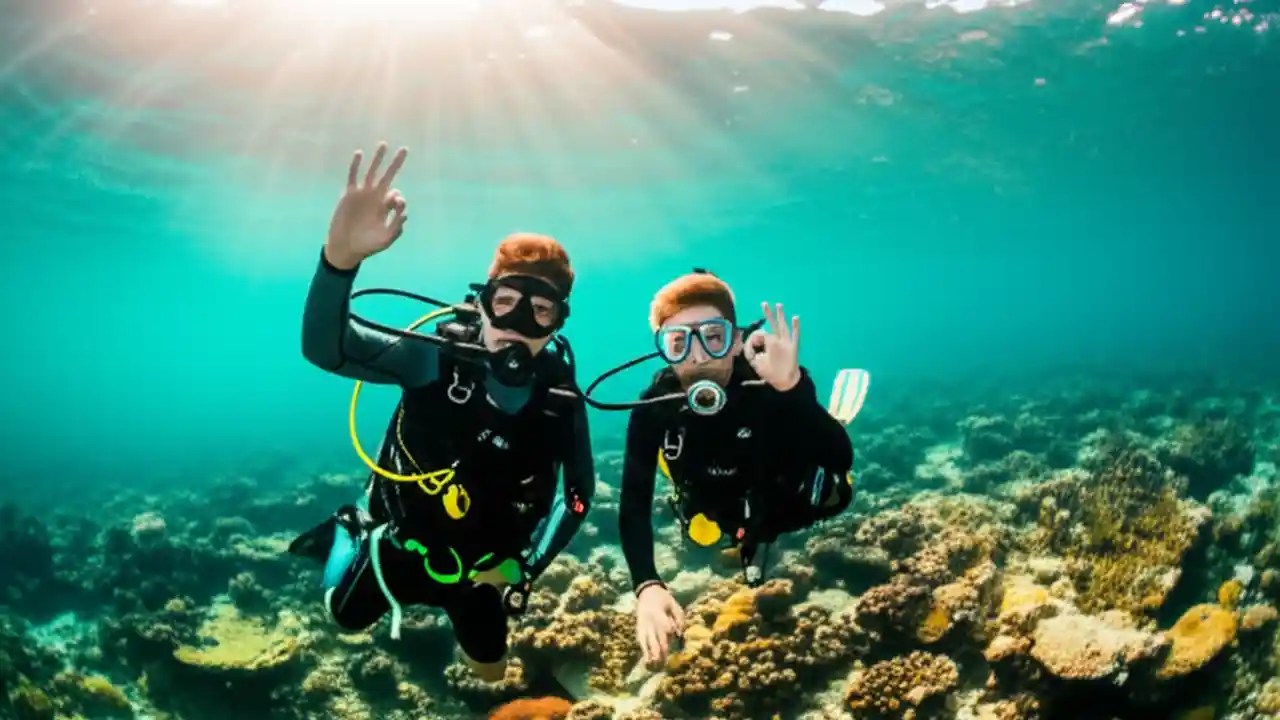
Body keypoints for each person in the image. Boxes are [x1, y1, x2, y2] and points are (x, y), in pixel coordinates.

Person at [288, 142, 595, 681]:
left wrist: (522, 568)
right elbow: (325, 349)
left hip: (484, 571)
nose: (518, 324)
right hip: (400, 543)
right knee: (343, 618)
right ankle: (348, 527)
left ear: (557, 325)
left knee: (492, 674)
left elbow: (576, 498)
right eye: (506, 302)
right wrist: (338, 264)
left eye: (541, 311)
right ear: (481, 302)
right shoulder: (431, 359)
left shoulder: (559, 399)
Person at [616, 270, 858, 666]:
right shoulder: (654, 407)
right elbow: (633, 504)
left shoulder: (771, 380)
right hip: (722, 509)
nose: (697, 356)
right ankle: (750, 543)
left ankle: (824, 427)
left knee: (836, 495)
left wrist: (793, 388)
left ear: (736, 340)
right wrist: (646, 585)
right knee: (703, 535)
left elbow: (841, 457)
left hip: (790, 498)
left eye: (712, 336)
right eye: (678, 342)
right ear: (664, 350)